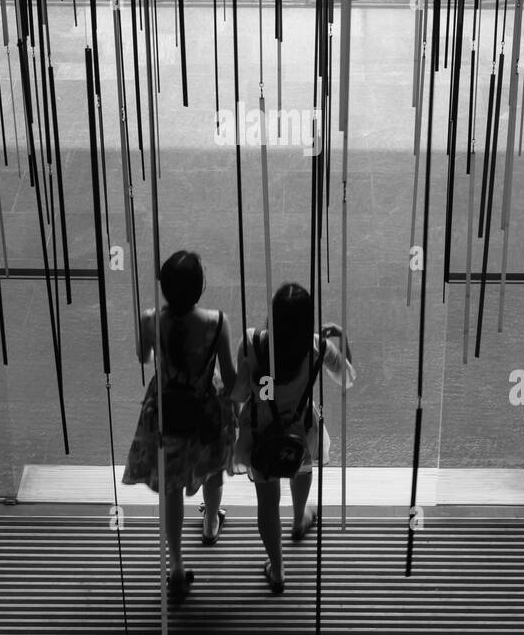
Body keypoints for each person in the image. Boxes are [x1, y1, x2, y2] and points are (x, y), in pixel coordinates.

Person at [122, 251, 236, 604]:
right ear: (200, 286)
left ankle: (176, 564)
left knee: (171, 485)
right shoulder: (217, 322)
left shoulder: (150, 320)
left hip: (165, 410)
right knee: (213, 470)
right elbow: (230, 378)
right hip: (205, 408)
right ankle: (211, 521)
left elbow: (143, 358)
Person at [229, 282, 356, 594]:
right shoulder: (317, 347)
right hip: (301, 431)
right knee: (302, 469)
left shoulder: (251, 342)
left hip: (260, 434)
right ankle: (299, 519)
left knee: (267, 502)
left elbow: (240, 392)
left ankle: (278, 570)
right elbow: (347, 376)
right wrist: (342, 337)